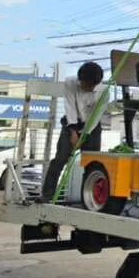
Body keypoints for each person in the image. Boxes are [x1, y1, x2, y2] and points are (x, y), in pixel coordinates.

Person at [42, 61, 106, 199]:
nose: (90, 87)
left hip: (92, 127)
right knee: (59, 159)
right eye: (87, 84)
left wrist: (84, 135)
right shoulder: (70, 83)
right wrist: (73, 132)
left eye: (93, 85)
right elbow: (69, 107)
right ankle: (47, 195)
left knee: (92, 163)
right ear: (80, 80)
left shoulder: (104, 90)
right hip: (71, 123)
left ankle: (88, 199)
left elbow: (96, 116)